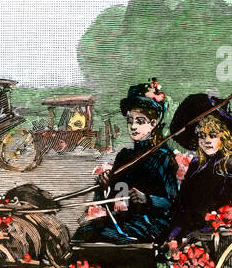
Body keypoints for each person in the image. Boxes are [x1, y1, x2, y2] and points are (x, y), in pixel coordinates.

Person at [73, 83, 178, 243]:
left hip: (151, 223)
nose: (134, 127)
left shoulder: (163, 157)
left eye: (140, 121)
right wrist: (106, 184)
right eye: (130, 121)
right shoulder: (124, 156)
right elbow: (115, 193)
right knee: (84, 232)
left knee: (105, 234)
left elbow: (173, 203)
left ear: (153, 123)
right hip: (124, 218)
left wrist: (147, 199)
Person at [161, 93, 232, 243]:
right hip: (188, 225)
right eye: (202, 135)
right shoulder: (196, 164)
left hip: (215, 229)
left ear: (224, 136)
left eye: (213, 135)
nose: (207, 141)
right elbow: (183, 200)